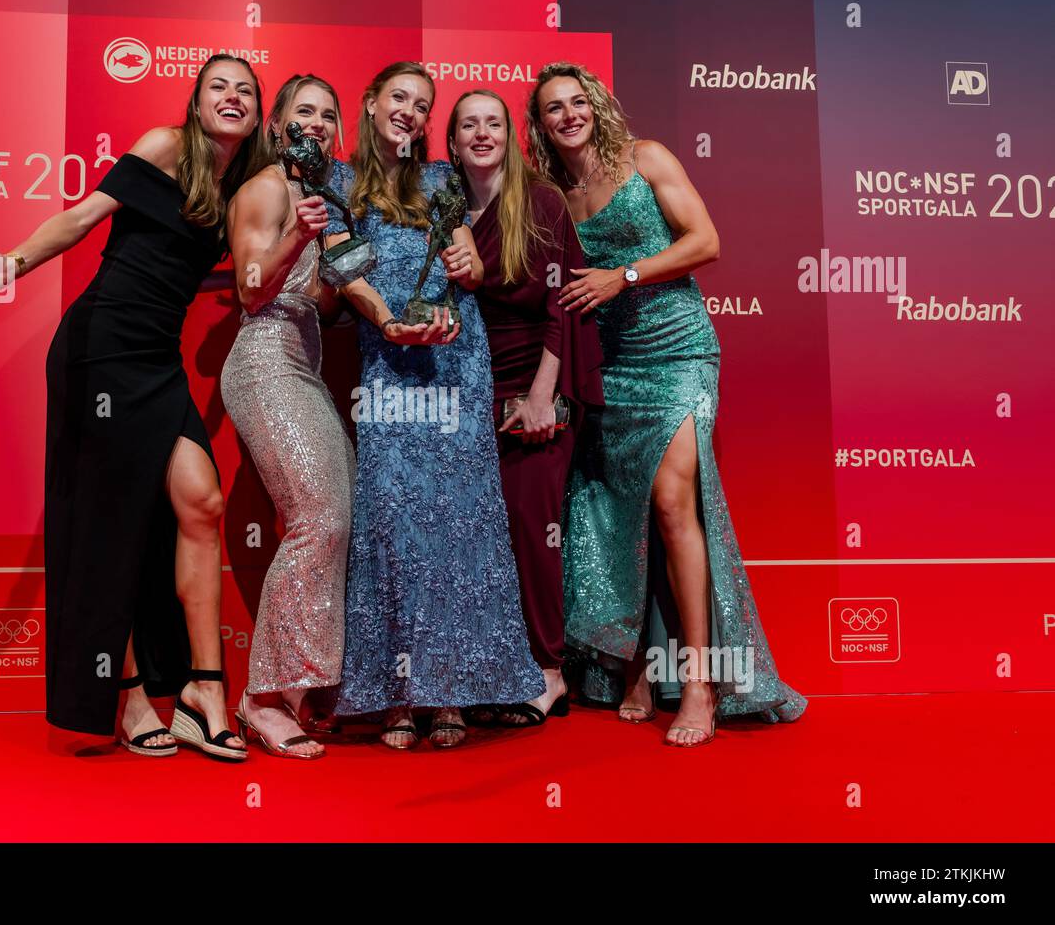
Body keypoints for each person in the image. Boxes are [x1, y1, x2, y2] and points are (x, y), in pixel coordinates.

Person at [0, 54, 270, 760]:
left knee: (198, 500)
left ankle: (203, 692)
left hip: (157, 360)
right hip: (100, 349)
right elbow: (82, 217)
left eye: (246, 90)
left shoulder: (243, 187)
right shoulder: (165, 147)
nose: (232, 97)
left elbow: (210, 268)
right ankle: (131, 692)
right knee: (114, 524)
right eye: (217, 88)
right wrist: (9, 264)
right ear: (196, 103)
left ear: (258, 113)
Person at [528, 62, 806, 746]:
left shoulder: (643, 157)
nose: (568, 115)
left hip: (678, 353)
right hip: (611, 366)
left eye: (576, 102)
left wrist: (623, 274)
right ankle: (637, 669)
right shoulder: (554, 194)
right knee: (624, 512)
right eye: (552, 109)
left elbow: (704, 242)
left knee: (675, 503)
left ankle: (701, 684)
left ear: (594, 105)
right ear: (539, 125)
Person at [324, 62, 544, 750]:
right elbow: (340, 268)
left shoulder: (443, 180)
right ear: (370, 102)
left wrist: (462, 278)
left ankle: (450, 689)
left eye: (423, 105)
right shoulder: (336, 182)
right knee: (390, 519)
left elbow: (471, 268)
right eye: (400, 98)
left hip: (454, 358)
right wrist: (389, 321)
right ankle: (395, 694)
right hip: (388, 361)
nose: (412, 113)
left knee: (459, 521)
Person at [448, 88, 603, 727]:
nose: (482, 134)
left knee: (532, 531)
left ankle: (548, 672)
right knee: (480, 539)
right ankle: (493, 669)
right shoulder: (443, 205)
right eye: (468, 126)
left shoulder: (540, 201)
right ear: (452, 141)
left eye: (494, 124)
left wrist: (544, 396)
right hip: (465, 389)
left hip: (536, 384)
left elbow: (562, 307)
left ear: (510, 136)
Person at [220, 74, 356, 760]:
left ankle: (304, 686)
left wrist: (340, 267)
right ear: (277, 127)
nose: (320, 123)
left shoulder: (323, 196)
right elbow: (250, 290)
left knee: (336, 516)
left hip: (305, 362)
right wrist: (294, 241)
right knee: (318, 519)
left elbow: (323, 305)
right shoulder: (268, 188)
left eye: (330, 115)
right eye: (305, 112)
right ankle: (263, 697)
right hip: (264, 360)